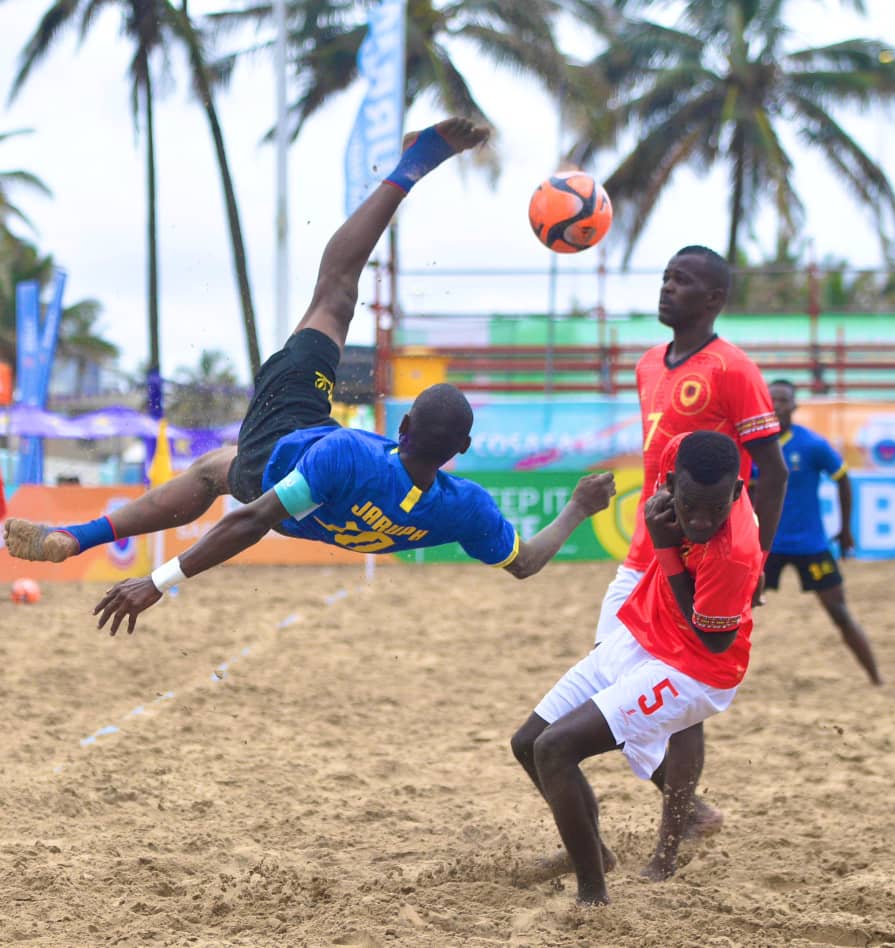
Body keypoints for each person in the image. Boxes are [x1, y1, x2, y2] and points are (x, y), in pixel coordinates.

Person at [3, 117, 616, 634]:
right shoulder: (467, 509)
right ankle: (76, 536)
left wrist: (157, 581)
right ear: (464, 449)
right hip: (311, 505)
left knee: (335, 296)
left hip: (287, 446)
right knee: (218, 469)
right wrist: (578, 508)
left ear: (401, 425)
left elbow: (249, 522)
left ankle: (410, 169)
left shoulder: (353, 453)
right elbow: (528, 562)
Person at [592, 245, 788, 880]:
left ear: (714, 300)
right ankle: (693, 809)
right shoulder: (650, 362)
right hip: (641, 556)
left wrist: (753, 567)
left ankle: (673, 836)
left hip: (698, 561)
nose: (668, 288)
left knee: (678, 699)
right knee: (612, 685)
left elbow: (772, 472)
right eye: (666, 277)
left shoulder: (733, 368)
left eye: (684, 281)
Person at [511, 430, 764, 905]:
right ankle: (596, 853)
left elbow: (712, 639)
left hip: (697, 666)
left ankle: (593, 897)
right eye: (690, 506)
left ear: (735, 492)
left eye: (716, 508)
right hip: (645, 625)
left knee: (556, 749)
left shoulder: (732, 552)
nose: (702, 521)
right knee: (527, 744)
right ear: (670, 483)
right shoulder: (677, 457)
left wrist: (667, 546)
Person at [757, 379, 883, 685]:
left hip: (809, 543)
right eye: (771, 399)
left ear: (795, 406)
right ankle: (712, 679)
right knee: (734, 613)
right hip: (765, 545)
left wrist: (845, 530)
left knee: (839, 611)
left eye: (783, 399)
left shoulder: (812, 445)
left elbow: (842, 478)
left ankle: (876, 678)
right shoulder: (754, 447)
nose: (777, 405)